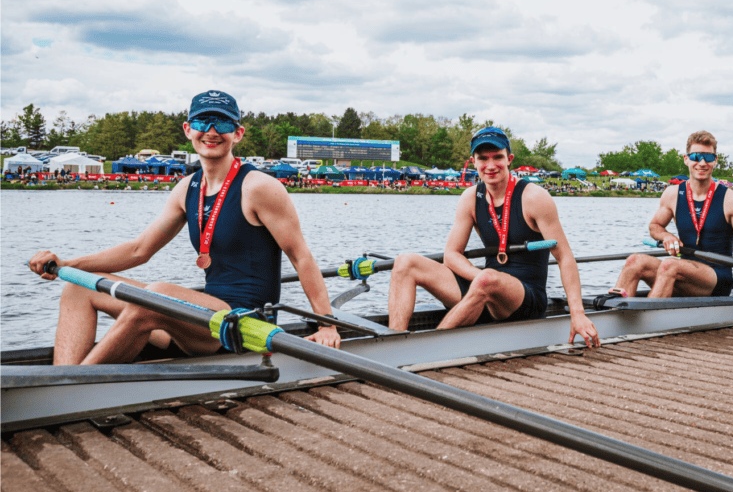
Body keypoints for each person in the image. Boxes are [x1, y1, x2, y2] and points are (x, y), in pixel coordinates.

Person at [28, 90, 341, 365]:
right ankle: (63, 379)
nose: (212, 131)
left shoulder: (259, 187)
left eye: (223, 123)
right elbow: (139, 250)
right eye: (203, 121)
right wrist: (68, 265)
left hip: (243, 326)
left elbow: (300, 256)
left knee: (158, 294)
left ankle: (73, 389)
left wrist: (326, 324)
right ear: (188, 129)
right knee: (79, 287)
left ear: (238, 133)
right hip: (199, 323)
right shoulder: (187, 188)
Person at [387, 127, 600, 347]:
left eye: (497, 157)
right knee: (405, 262)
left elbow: (565, 257)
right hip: (485, 287)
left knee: (488, 279)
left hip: (526, 299)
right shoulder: (470, 198)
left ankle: (427, 349)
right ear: (473, 162)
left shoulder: (535, 198)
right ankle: (392, 344)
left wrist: (577, 313)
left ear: (509, 159)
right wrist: (478, 278)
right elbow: (451, 255)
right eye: (483, 158)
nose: (490, 166)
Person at [612, 130, 733, 321]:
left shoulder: (732, 201)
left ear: (715, 160)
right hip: (682, 272)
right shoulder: (672, 194)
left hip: (716, 279)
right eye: (696, 156)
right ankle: (616, 317)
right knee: (634, 261)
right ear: (686, 159)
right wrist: (666, 236)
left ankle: (646, 322)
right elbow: (655, 226)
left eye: (708, 157)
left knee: (670, 265)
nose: (702, 163)